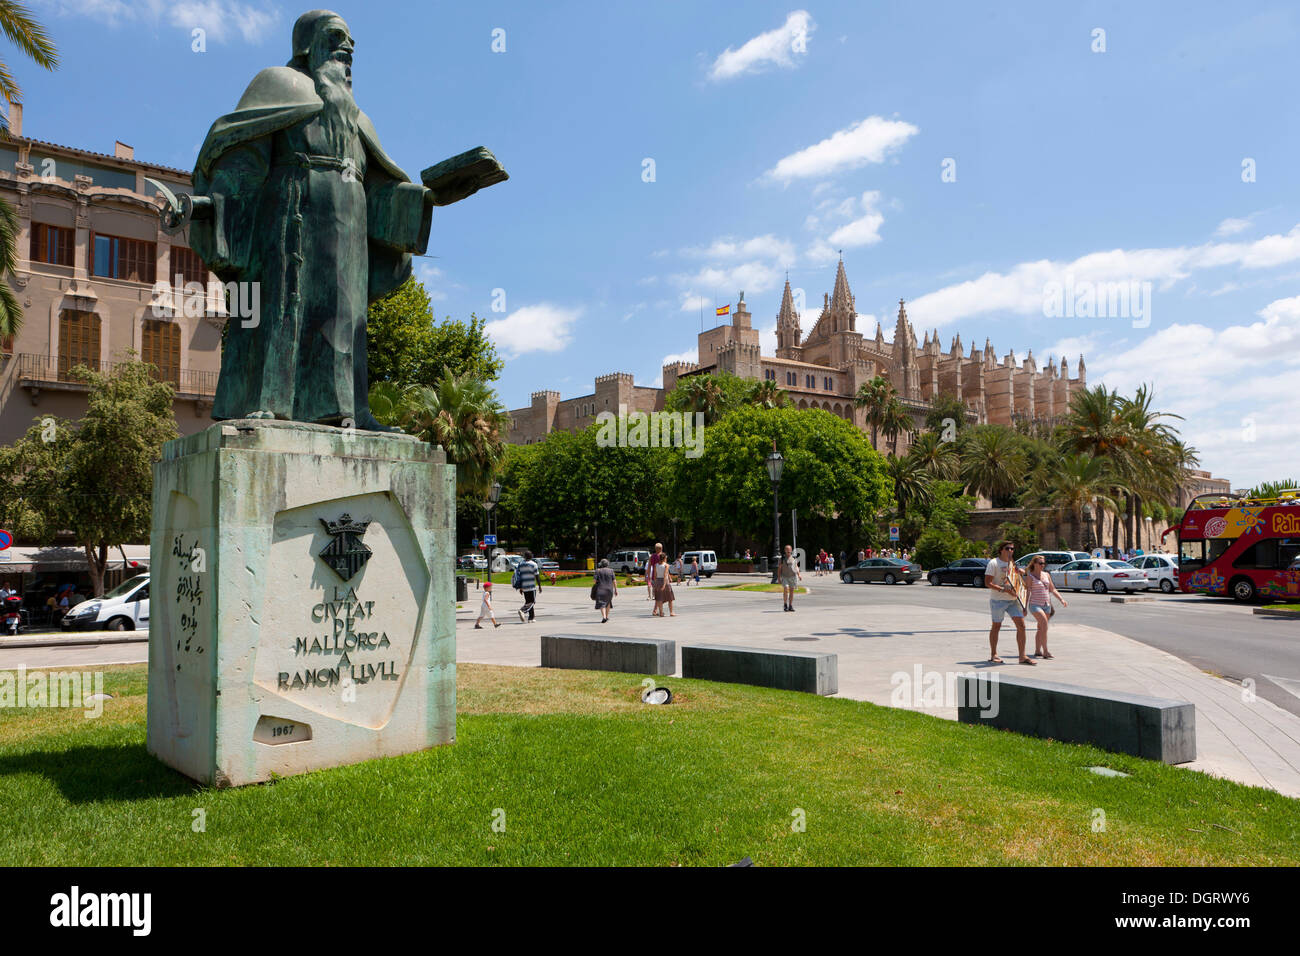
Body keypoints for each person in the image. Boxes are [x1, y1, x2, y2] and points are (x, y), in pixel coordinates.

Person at [985, 540, 1033, 665]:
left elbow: (1016, 582)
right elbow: (987, 583)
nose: (1010, 551)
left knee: (1021, 626)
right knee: (996, 626)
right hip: (998, 600)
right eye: (1007, 548)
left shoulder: (1013, 564)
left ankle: (1022, 656)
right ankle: (993, 654)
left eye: (1012, 549)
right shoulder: (993, 563)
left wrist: (1021, 574)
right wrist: (1003, 589)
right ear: (1001, 550)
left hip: (1013, 600)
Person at [1024, 555, 1066, 658]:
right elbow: (1028, 592)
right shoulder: (1030, 576)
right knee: (1044, 625)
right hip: (1035, 605)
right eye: (1040, 563)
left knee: (1041, 628)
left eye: (1043, 563)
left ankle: (1038, 650)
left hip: (1046, 605)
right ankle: (1046, 652)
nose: (1042, 565)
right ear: (1034, 564)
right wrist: (1024, 607)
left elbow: (1052, 589)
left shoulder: (1046, 575)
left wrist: (1061, 599)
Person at [514, 550, 541, 623]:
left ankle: (531, 618)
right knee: (532, 602)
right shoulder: (534, 564)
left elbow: (519, 576)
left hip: (524, 586)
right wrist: (539, 586)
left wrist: (520, 587)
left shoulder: (521, 564)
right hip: (531, 586)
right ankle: (522, 610)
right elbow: (537, 576)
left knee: (528, 601)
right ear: (530, 556)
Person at [648, 542, 674, 616]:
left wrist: (648, 576)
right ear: (660, 548)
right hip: (663, 579)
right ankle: (662, 611)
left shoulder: (651, 556)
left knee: (658, 596)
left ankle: (656, 610)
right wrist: (669, 577)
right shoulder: (662, 556)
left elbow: (649, 567)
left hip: (655, 578)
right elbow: (665, 571)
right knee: (667, 597)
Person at [593, 558, 617, 623]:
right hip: (609, 590)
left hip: (600, 589)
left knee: (602, 603)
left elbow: (594, 581)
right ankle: (606, 616)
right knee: (608, 602)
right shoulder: (611, 571)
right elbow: (614, 581)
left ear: (601, 564)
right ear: (607, 564)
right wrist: (616, 590)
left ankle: (604, 617)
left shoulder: (597, 571)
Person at [779, 543, 802, 612]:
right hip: (785, 576)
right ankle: (785, 604)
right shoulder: (782, 558)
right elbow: (779, 568)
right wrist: (778, 578)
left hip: (792, 577)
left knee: (791, 591)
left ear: (791, 550)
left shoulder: (794, 558)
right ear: (785, 550)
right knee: (785, 588)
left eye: (789, 550)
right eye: (787, 550)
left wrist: (799, 575)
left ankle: (790, 606)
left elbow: (796, 567)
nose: (788, 551)